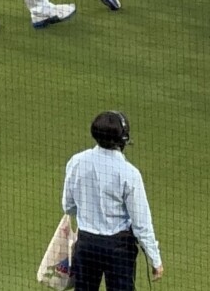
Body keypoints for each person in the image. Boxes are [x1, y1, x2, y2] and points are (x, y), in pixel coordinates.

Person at [63, 111, 163, 290]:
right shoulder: (129, 173)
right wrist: (155, 259)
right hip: (119, 250)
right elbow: (141, 224)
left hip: (86, 245)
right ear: (122, 140)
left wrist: (90, 214)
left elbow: (68, 205)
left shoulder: (76, 162)